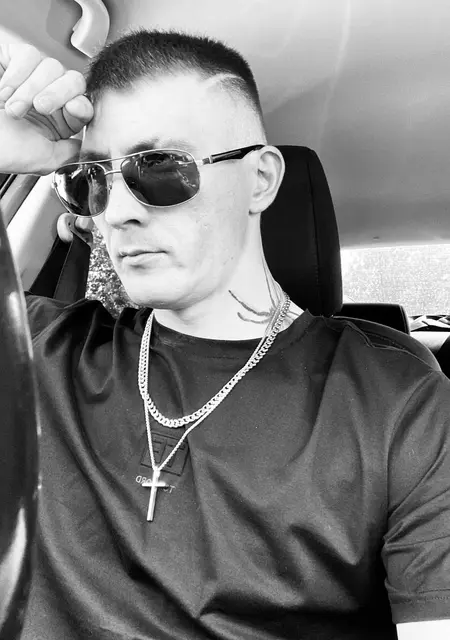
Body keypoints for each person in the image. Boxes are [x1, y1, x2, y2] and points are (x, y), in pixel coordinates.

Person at [0, 29, 449, 640]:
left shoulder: (403, 404)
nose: (117, 212)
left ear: (259, 179)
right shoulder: (36, 348)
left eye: (160, 167)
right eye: (91, 179)